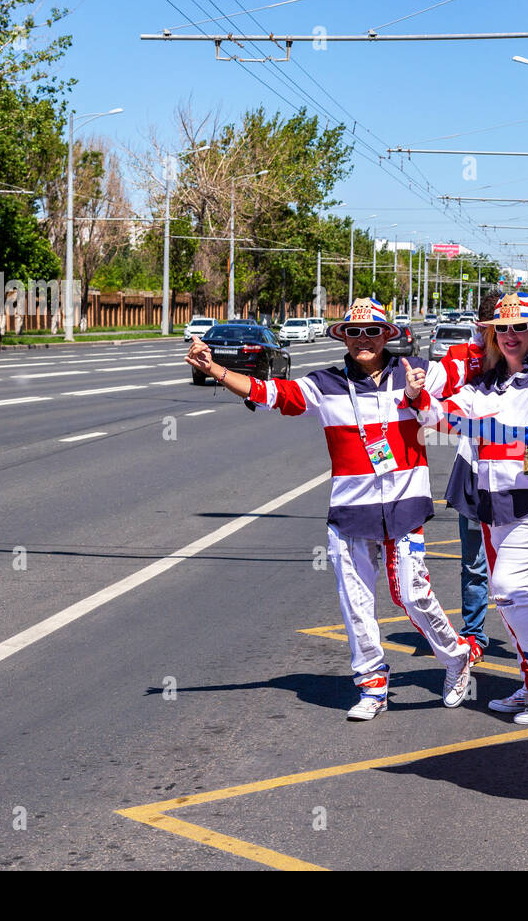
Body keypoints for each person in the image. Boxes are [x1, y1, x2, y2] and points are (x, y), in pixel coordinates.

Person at [184, 298, 474, 721]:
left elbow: (468, 364)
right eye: (354, 332)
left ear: (386, 335)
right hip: (351, 512)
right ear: (343, 337)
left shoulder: (414, 371)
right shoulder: (325, 383)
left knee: (411, 594)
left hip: (405, 507)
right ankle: (372, 685)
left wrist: (506, 337)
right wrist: (213, 369)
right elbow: (271, 394)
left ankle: (455, 657)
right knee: (356, 603)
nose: (363, 340)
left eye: (372, 331)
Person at [406, 292, 528, 725]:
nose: (509, 335)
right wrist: (417, 398)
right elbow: (442, 417)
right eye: (500, 329)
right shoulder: (483, 385)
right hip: (497, 507)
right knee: (511, 598)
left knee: (509, 585)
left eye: (518, 327)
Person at [439, 291, 498, 655]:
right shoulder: (464, 357)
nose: (508, 335)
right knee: (474, 563)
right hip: (474, 471)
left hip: (518, 474)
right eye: (496, 328)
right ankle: (474, 633)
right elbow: (443, 395)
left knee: (520, 567)